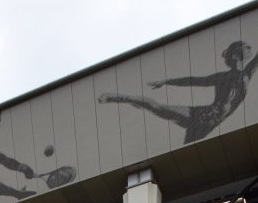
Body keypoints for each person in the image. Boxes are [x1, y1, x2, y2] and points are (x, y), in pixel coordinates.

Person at [98, 40, 258, 144]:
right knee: (157, 107)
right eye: (246, 46)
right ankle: (121, 97)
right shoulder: (222, 77)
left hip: (208, 126)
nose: (250, 47)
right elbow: (193, 80)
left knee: (189, 155)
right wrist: (166, 82)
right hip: (201, 115)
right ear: (237, 53)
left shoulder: (247, 74)